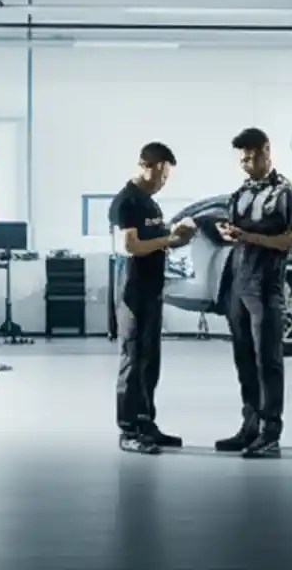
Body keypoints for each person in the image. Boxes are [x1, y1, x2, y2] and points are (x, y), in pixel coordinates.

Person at [215, 128, 292, 459]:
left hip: (266, 286)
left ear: (267, 152)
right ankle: (249, 427)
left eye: (252, 157)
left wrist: (249, 237)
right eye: (242, 159)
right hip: (239, 285)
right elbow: (236, 233)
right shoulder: (240, 192)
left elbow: (291, 241)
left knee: (268, 361)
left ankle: (270, 434)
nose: (246, 164)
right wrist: (228, 233)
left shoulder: (286, 193)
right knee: (244, 360)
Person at [109, 141, 197, 455]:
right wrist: (170, 238)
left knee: (149, 363)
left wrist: (177, 235)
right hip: (134, 295)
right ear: (151, 166)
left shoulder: (150, 203)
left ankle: (147, 424)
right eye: (162, 176)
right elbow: (130, 246)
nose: (163, 182)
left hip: (152, 292)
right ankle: (129, 431)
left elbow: (156, 240)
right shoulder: (127, 201)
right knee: (132, 363)